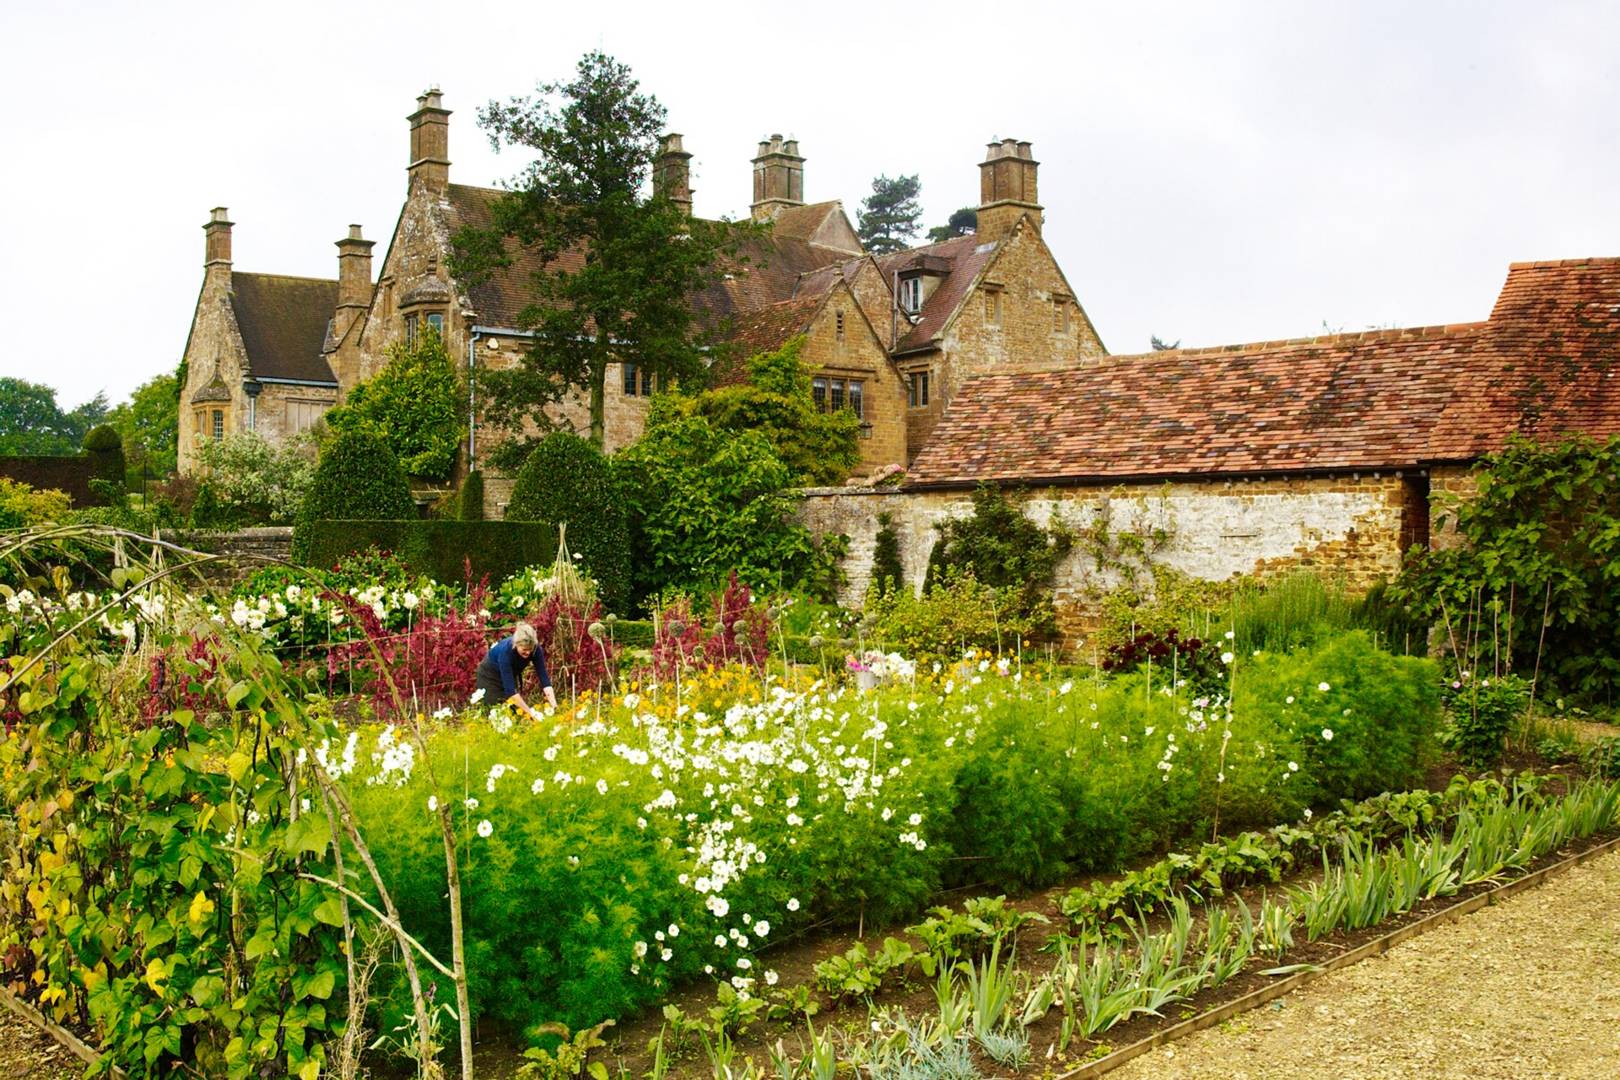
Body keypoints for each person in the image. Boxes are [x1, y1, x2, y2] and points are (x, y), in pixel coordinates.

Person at [476, 621, 556, 721]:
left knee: (515, 715)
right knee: (495, 715)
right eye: (524, 649)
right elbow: (511, 692)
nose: (528, 652)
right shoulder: (506, 653)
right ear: (516, 644)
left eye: (530, 649)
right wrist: (532, 714)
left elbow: (544, 679)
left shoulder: (536, 649)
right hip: (489, 677)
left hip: (508, 674)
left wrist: (554, 706)